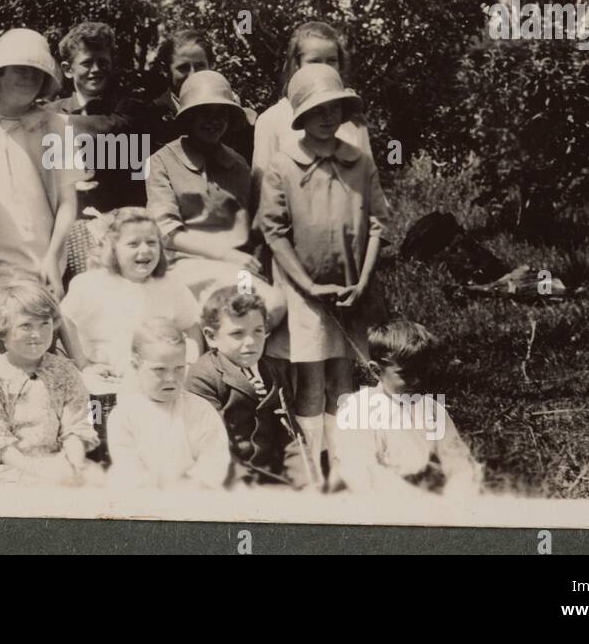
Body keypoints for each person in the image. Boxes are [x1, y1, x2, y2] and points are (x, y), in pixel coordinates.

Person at [259, 63, 389, 490]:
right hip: (303, 292)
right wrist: (309, 286)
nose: (327, 116)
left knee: (344, 377)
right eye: (316, 110)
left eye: (334, 107)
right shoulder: (283, 165)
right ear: (300, 116)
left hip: (352, 288)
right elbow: (274, 231)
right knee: (311, 377)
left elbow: (375, 225)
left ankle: (343, 463)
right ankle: (310, 468)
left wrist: (363, 280)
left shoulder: (360, 162)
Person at [144, 69, 286, 323]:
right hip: (183, 266)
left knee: (272, 304)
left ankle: (240, 359)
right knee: (202, 315)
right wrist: (225, 255)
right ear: (188, 117)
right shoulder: (162, 161)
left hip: (236, 268)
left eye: (221, 113)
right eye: (203, 113)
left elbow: (252, 229)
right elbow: (167, 232)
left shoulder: (238, 164)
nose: (213, 121)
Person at [0, 28, 78, 319]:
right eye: (19, 69)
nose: (27, 78)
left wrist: (53, 259)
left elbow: (68, 202)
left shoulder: (56, 127)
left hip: (40, 266)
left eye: (35, 72)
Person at [0, 272, 100, 485]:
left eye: (44, 324)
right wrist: (40, 473)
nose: (37, 334)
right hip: (9, 469)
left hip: (60, 462)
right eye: (26, 326)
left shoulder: (65, 371)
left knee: (98, 482)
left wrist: (74, 465)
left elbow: (77, 427)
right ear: (2, 330)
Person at [60, 208, 202, 403]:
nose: (144, 250)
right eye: (133, 244)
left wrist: (191, 362)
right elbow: (65, 319)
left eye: (152, 242)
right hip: (111, 376)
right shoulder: (91, 283)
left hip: (163, 375)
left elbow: (191, 324)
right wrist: (83, 364)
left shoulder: (170, 284)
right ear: (114, 248)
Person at [45, 22, 148, 278]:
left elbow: (116, 129)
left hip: (120, 227)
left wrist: (58, 123)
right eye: (87, 63)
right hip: (66, 229)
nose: (96, 70)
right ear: (67, 70)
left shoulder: (129, 107)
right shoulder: (53, 110)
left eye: (103, 62)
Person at [334, 320, 483, 498]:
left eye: (423, 371)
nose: (417, 381)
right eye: (405, 374)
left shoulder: (432, 410)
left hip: (425, 494)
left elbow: (459, 463)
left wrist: (457, 496)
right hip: (374, 498)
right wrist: (419, 502)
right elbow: (362, 472)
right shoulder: (358, 410)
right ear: (376, 370)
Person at [185, 286, 309, 488]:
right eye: (238, 333)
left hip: (273, 475)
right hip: (229, 480)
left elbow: (290, 435)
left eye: (258, 331)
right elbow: (213, 446)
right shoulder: (204, 376)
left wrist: (305, 481)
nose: (250, 342)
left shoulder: (273, 369)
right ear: (211, 336)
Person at [106, 317, 231, 490]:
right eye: (159, 369)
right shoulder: (124, 415)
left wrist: (197, 484)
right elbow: (128, 464)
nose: (171, 378)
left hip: (194, 494)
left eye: (179, 368)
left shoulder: (200, 409)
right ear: (136, 366)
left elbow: (215, 454)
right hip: (143, 498)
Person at [251, 22, 372, 193]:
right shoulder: (272, 120)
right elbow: (261, 189)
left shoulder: (352, 117)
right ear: (297, 65)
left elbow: (367, 181)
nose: (324, 68)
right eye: (314, 61)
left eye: (331, 61)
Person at [148, 29, 256, 159]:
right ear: (166, 70)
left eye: (200, 66)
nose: (193, 75)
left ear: (211, 66)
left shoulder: (230, 114)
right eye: (183, 68)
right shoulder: (151, 118)